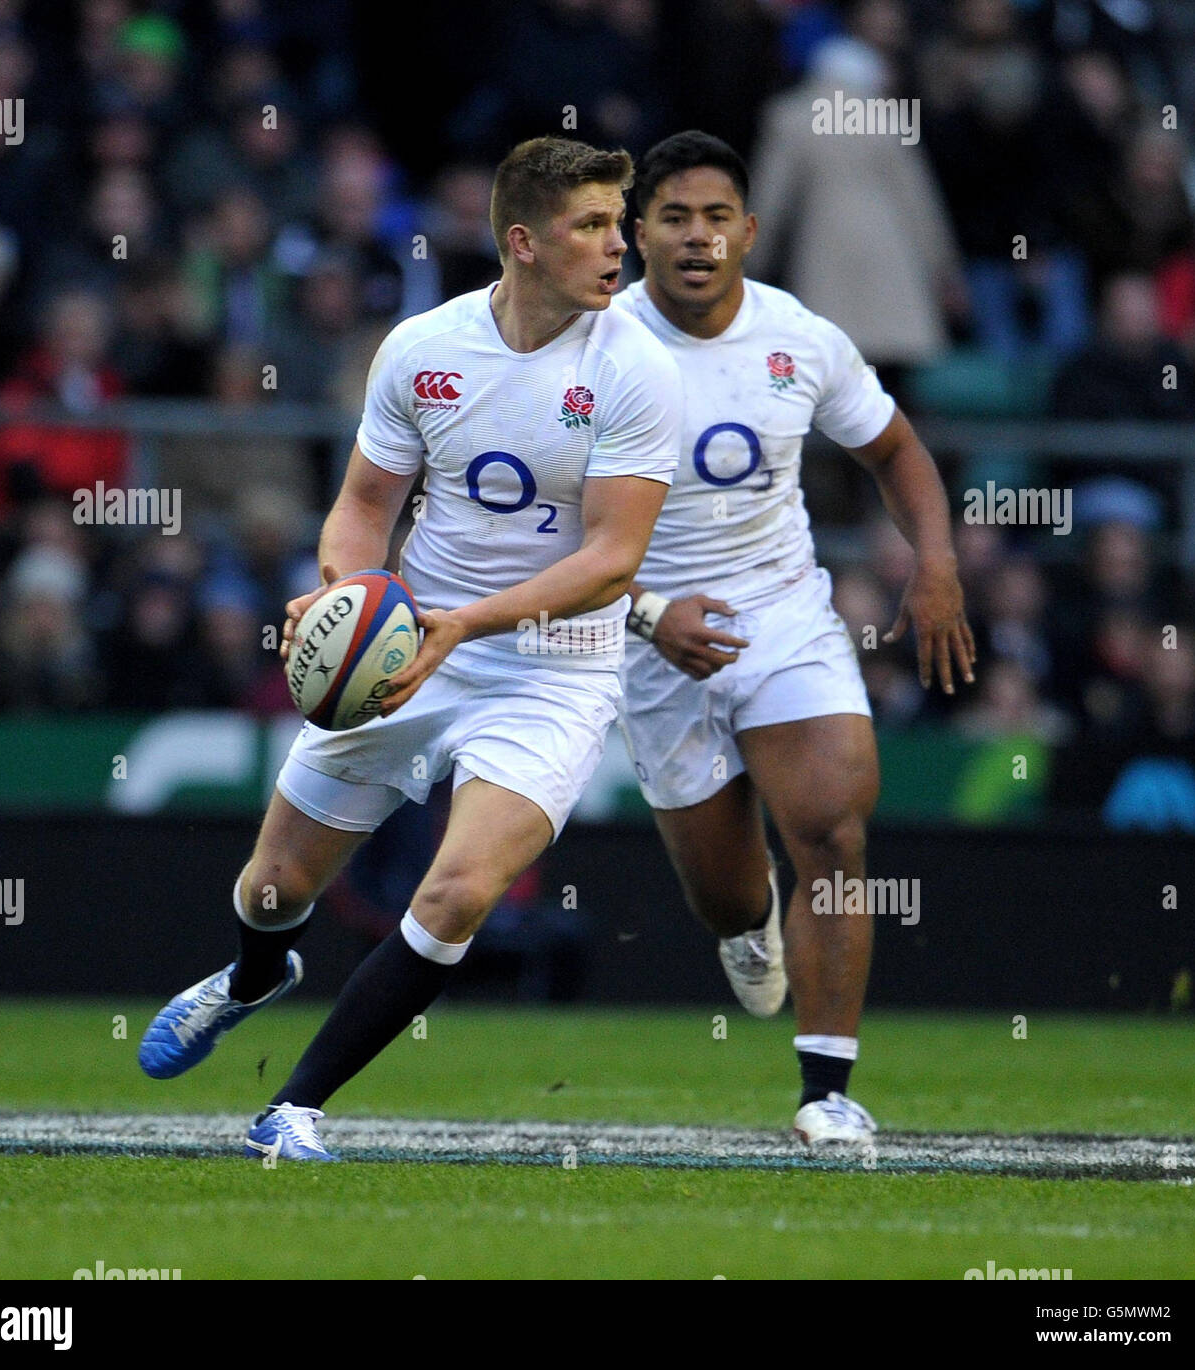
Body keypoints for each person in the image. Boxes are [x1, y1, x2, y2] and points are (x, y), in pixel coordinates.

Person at [137, 137, 682, 1161]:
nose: (622, 246)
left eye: (621, 222)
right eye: (595, 226)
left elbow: (614, 560)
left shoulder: (638, 370)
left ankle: (291, 1107)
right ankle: (256, 975)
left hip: (552, 667)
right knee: (272, 887)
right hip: (408, 643)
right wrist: (346, 596)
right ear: (522, 242)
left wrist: (463, 625)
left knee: (456, 890)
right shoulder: (423, 349)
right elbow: (362, 508)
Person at [616, 131, 974, 1143]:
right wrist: (647, 610)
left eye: (715, 216)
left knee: (830, 828)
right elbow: (551, 528)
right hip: (651, 636)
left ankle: (826, 1090)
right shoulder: (589, 348)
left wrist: (936, 562)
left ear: (749, 231)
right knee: (727, 896)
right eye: (675, 217)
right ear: (639, 233)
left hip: (781, 615)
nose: (696, 237)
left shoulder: (799, 338)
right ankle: (748, 922)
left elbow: (897, 448)